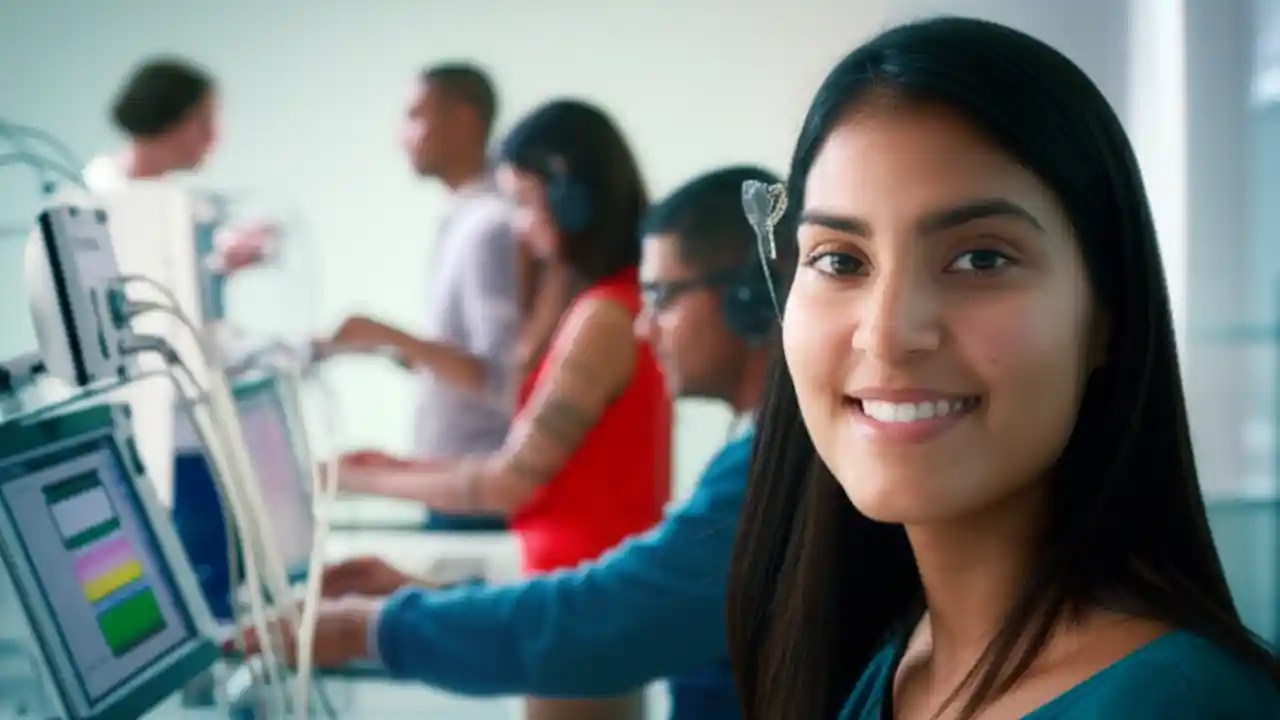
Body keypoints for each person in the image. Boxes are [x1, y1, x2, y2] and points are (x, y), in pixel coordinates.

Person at [725, 16, 1280, 720]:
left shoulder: (1176, 703)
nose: (889, 335)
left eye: (980, 259)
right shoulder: (891, 665)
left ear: (1106, 315)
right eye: (839, 260)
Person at [235, 165, 778, 720]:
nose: (645, 327)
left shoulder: (767, 477)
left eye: (662, 296)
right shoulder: (762, 454)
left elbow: (604, 621)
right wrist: (416, 601)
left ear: (749, 298)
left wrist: (365, 628)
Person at [335, 99, 672, 718]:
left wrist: (356, 480)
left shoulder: (604, 316)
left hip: (581, 607)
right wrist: (395, 469)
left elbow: (509, 481)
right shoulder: (604, 303)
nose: (518, 225)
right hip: (578, 596)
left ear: (570, 197)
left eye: (523, 201)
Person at [314, 63, 520, 532]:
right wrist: (394, 350)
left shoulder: (489, 226)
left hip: (476, 491)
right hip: (450, 481)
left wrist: (393, 335)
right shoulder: (464, 217)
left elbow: (502, 378)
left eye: (415, 116)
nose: (402, 136)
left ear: (465, 120)